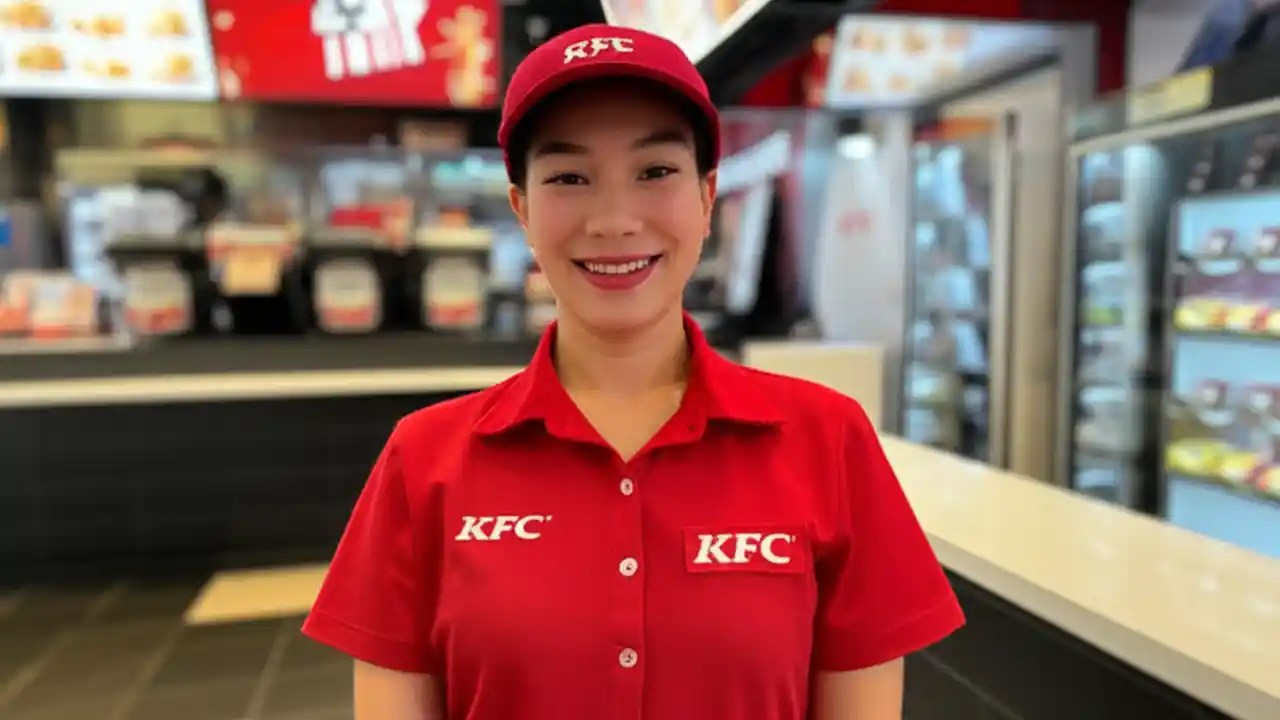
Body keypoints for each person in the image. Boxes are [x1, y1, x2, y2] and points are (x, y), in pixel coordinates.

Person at [303, 23, 964, 720]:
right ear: (523, 210)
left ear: (708, 197)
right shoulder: (423, 460)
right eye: (568, 177)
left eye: (654, 172)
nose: (614, 220)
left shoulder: (827, 440)